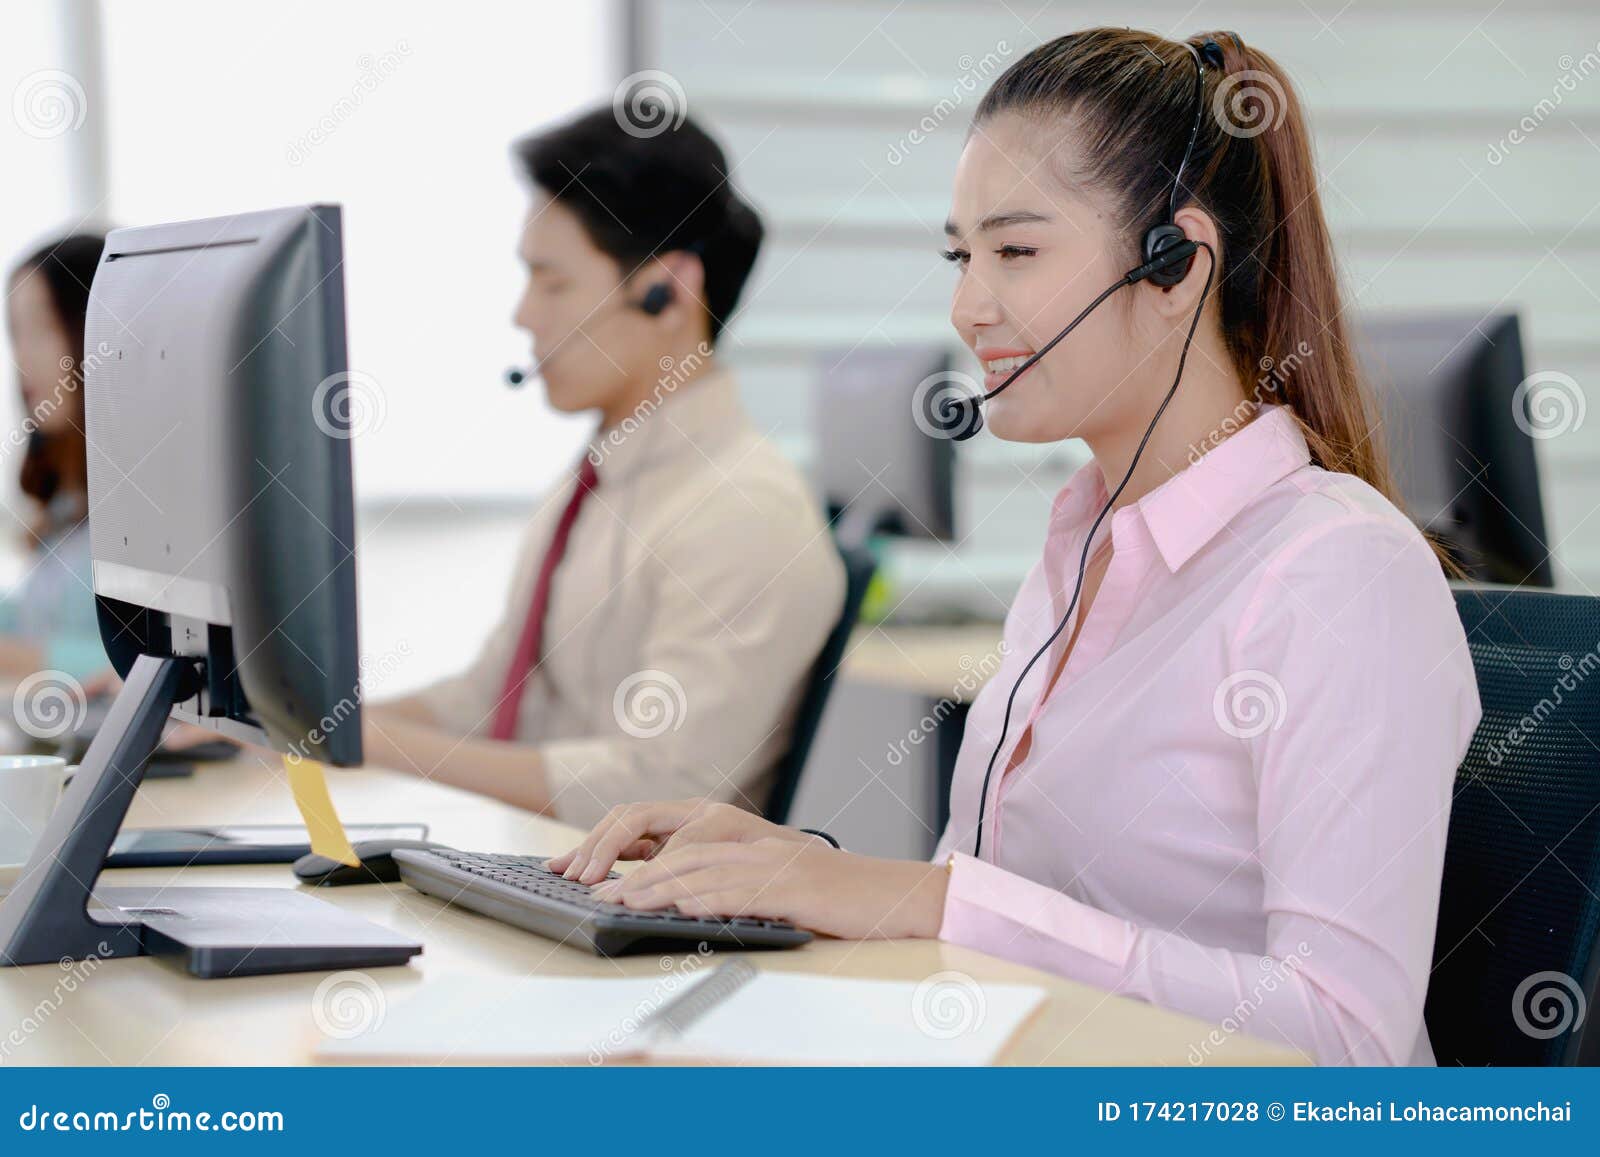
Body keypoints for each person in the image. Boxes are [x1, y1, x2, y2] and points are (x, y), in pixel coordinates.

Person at [548, 28, 1482, 1067]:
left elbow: (1344, 1035)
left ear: (1174, 267)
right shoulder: (1079, 548)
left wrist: (923, 898)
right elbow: (988, 915)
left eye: (1016, 251)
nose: (967, 305)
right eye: (961, 255)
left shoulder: (1336, 572)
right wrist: (790, 873)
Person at [362, 106, 846, 826]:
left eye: (552, 283)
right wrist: (306, 729)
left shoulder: (745, 509)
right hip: (529, 876)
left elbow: (654, 782)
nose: (525, 315)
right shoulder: (594, 478)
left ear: (668, 291)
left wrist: (365, 747)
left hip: (638, 920)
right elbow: (492, 697)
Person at [0, 234, 106, 682]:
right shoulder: (65, 505)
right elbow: (25, 620)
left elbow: (140, 672)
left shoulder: (147, 508)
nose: (22, 360)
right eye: (15, 336)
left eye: (39, 329)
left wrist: (16, 658)